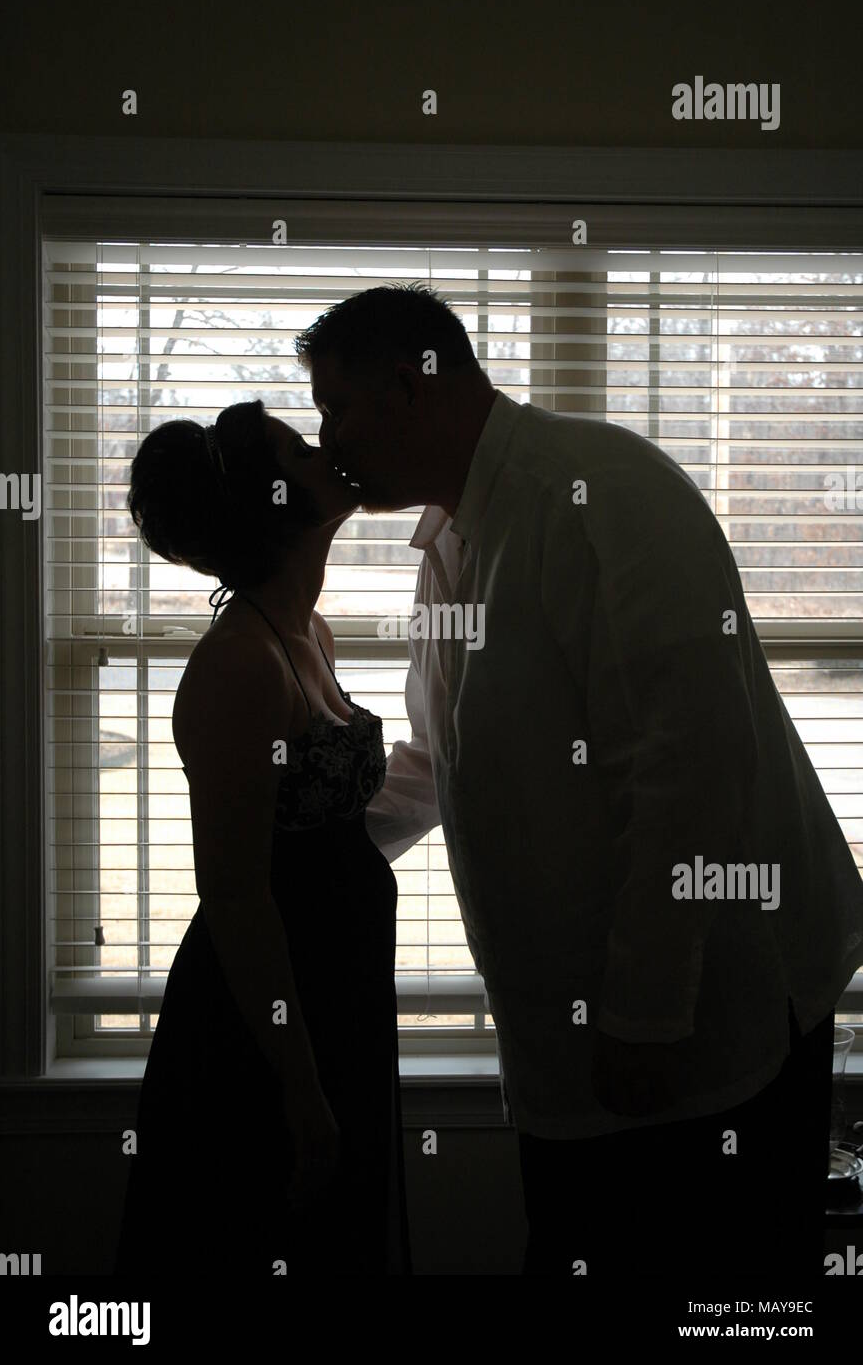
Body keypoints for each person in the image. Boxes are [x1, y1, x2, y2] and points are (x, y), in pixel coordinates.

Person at [294, 281, 863, 1278]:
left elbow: (692, 764)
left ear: (409, 383)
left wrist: (644, 1012)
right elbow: (439, 762)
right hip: (574, 1042)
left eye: (335, 406)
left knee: (719, 1291)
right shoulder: (449, 547)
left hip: (703, 1022)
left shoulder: (598, 494)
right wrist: (310, 859)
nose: (326, 436)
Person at [113, 399, 411, 1276]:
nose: (326, 448)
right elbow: (237, 894)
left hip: (339, 987)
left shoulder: (306, 632)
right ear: (279, 501)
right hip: (268, 1020)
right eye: (300, 447)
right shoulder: (240, 663)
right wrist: (300, 1087)